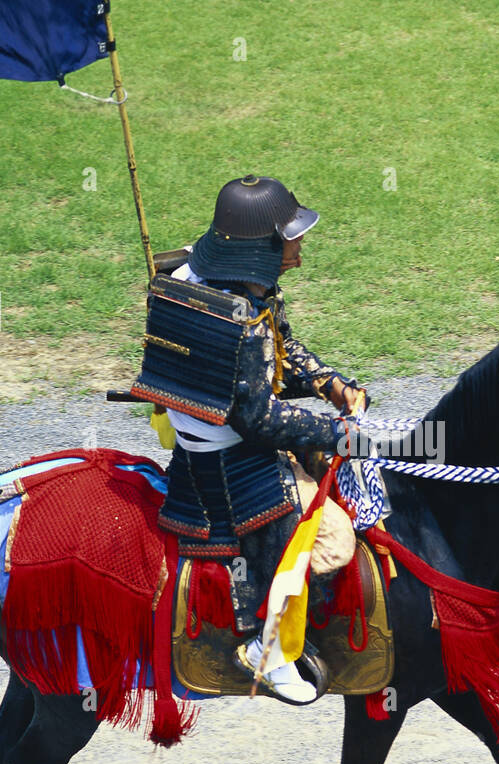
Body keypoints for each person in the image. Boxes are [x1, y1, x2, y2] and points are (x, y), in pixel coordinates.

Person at [137, 175, 369, 702]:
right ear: (261, 247)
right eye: (291, 239)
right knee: (332, 540)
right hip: (226, 460)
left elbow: (278, 350)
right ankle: (268, 651)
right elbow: (259, 420)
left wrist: (327, 382)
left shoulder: (209, 280)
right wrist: (337, 433)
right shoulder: (235, 317)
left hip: (230, 428)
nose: (300, 248)